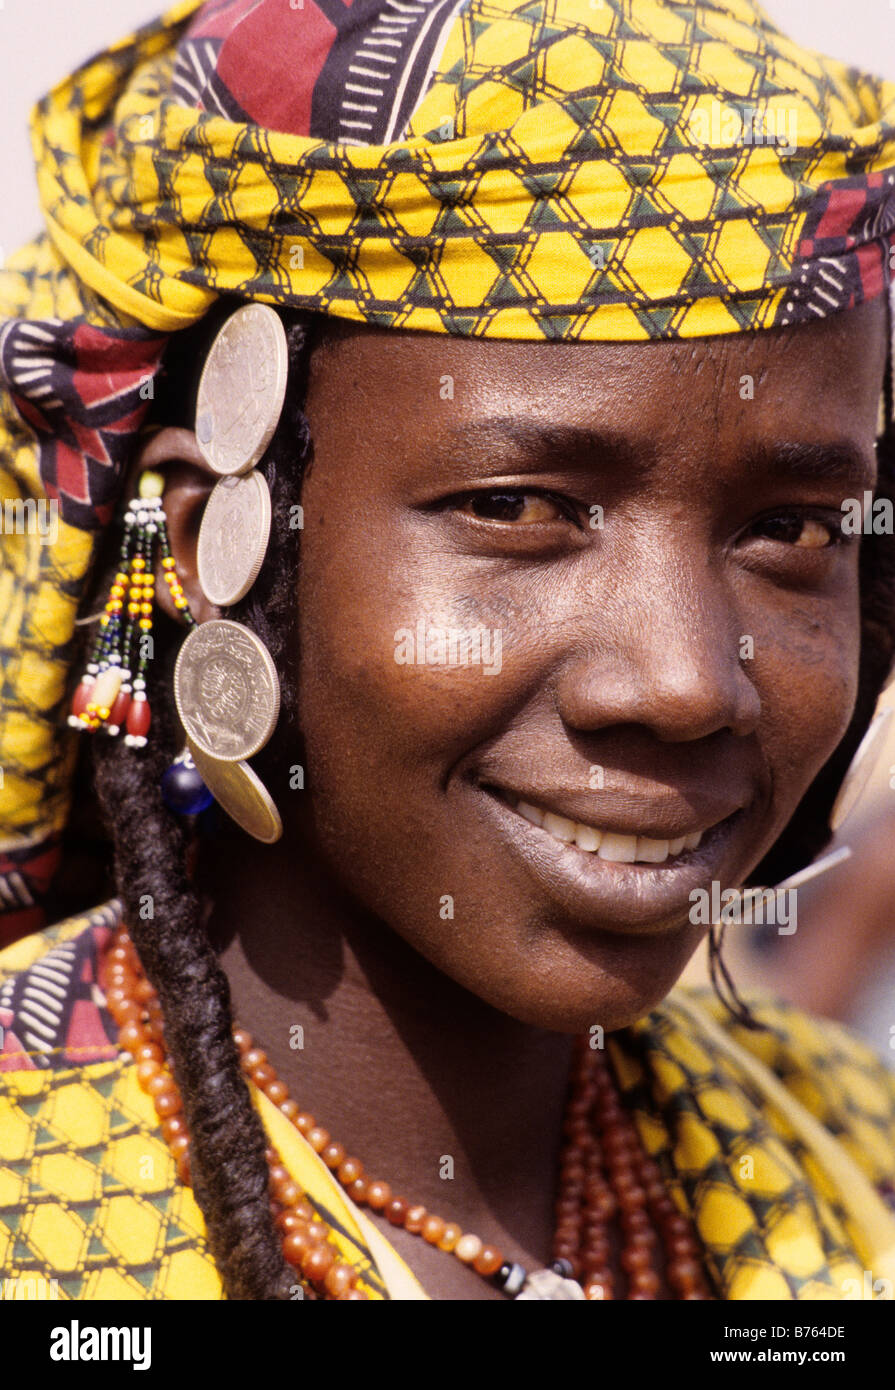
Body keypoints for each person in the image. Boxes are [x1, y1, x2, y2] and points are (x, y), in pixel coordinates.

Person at [1, 0, 895, 1302]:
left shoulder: (850, 1170)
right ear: (216, 543)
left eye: (789, 527)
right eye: (520, 506)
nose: (688, 680)